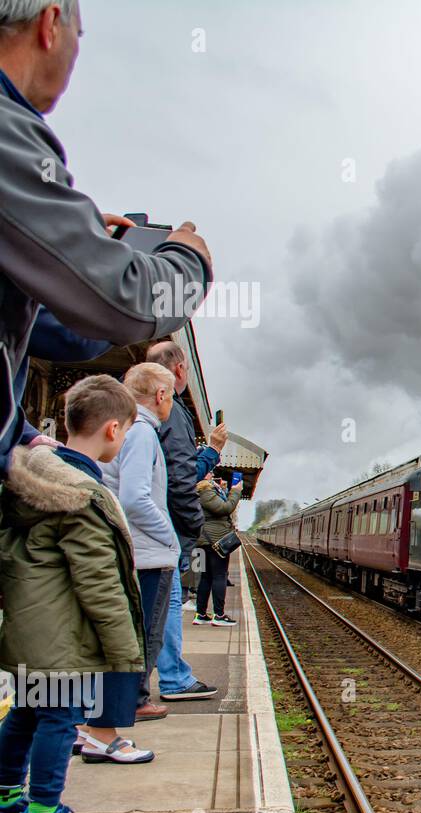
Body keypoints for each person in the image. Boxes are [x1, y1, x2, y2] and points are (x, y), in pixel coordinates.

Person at [0, 0, 213, 474]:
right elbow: (124, 299)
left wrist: (71, 244)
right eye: (83, 34)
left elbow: (66, 335)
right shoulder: (8, 131)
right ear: (51, 23)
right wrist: (188, 258)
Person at [0, 375, 148, 813]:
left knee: (25, 713)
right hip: (61, 635)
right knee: (60, 720)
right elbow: (99, 581)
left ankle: (5, 804)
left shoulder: (33, 476)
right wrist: (125, 651)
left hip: (28, 626)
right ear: (111, 430)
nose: (122, 439)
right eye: (125, 431)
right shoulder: (83, 495)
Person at [143, 340, 222, 701]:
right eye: (186, 369)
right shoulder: (171, 412)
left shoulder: (142, 416)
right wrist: (189, 527)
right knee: (167, 602)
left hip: (152, 527)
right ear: (178, 370)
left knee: (152, 604)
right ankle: (172, 680)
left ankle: (140, 687)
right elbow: (181, 476)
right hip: (165, 528)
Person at [101, 363, 180, 720]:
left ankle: (120, 705)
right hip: (147, 555)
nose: (172, 406)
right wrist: (170, 539)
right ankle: (133, 702)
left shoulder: (125, 430)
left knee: (133, 632)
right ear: (161, 395)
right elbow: (134, 498)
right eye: (172, 397)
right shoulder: (143, 433)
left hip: (134, 549)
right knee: (146, 633)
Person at [195, 471, 242, 626]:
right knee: (219, 576)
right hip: (215, 542)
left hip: (202, 542)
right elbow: (224, 509)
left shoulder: (203, 491)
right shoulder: (204, 490)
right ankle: (219, 615)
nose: (212, 474)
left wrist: (221, 490)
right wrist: (235, 491)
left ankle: (201, 614)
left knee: (205, 577)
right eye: (210, 472)